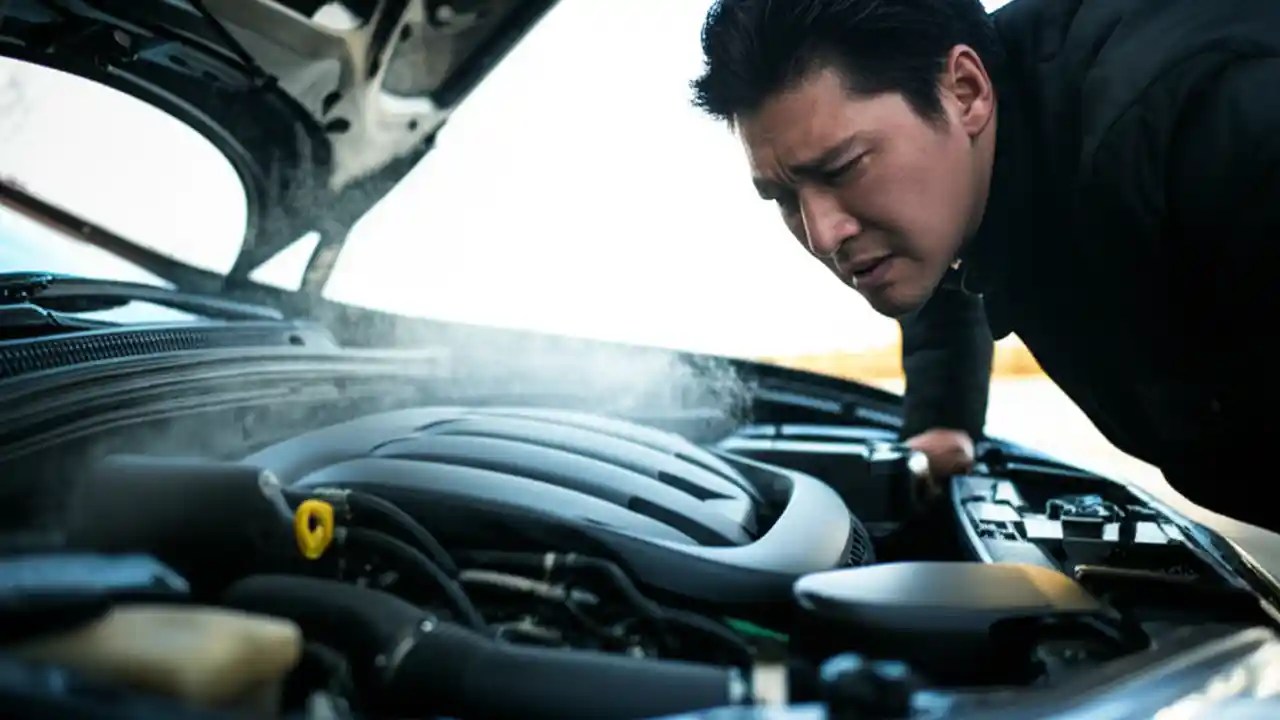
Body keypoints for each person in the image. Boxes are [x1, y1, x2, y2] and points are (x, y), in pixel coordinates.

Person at [690, 0, 1280, 530]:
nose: (822, 234)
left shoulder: (1210, 125)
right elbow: (941, 258)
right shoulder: (956, 170)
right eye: (783, 197)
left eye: (843, 168)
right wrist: (943, 415)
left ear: (966, 91)